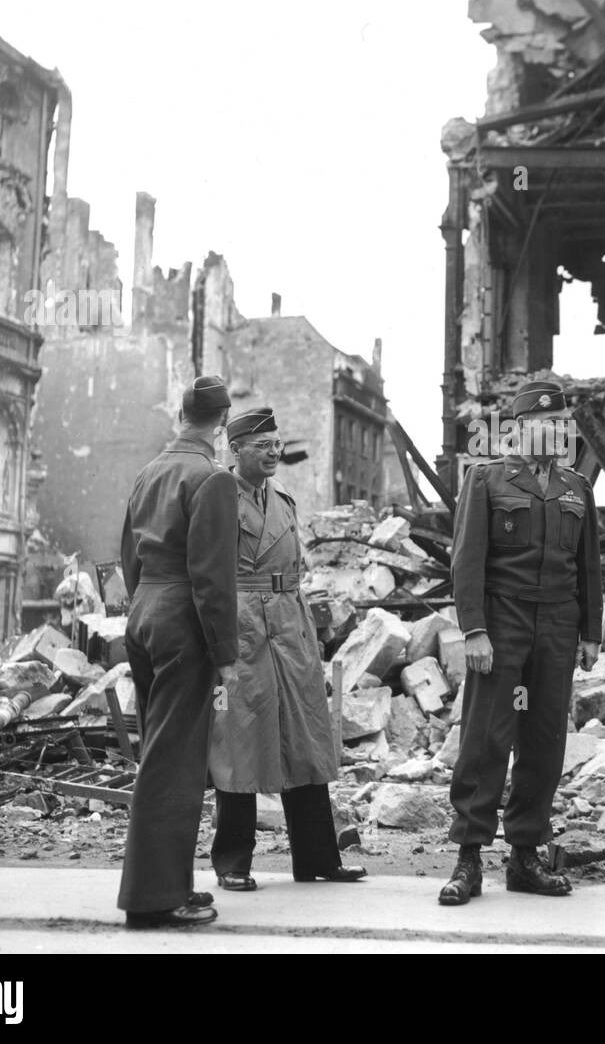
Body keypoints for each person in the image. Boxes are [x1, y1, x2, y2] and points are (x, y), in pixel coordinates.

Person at [439, 380, 602, 905]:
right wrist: (474, 630)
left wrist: (591, 634)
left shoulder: (577, 486)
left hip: (557, 627)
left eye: (558, 424)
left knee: (544, 741)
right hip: (503, 623)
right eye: (540, 424)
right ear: (515, 430)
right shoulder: (487, 479)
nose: (551, 432)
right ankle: (468, 859)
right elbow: (466, 559)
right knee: (486, 737)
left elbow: (589, 567)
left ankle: (526, 856)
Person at [207, 406, 366, 890]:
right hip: (243, 624)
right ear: (235, 451)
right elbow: (207, 574)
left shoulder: (285, 502)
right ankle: (232, 862)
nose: (275, 452)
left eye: (278, 444)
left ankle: (318, 857)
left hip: (289, 622)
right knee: (239, 739)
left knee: (307, 738)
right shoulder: (216, 498)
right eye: (263, 445)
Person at [117, 375, 238, 929]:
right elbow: (213, 577)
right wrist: (227, 652)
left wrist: (146, 606)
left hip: (143, 612)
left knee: (157, 755)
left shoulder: (151, 471)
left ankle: (168, 885)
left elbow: (128, 557)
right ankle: (155, 899)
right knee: (176, 764)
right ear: (221, 421)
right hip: (183, 620)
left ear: (183, 415)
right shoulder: (211, 478)